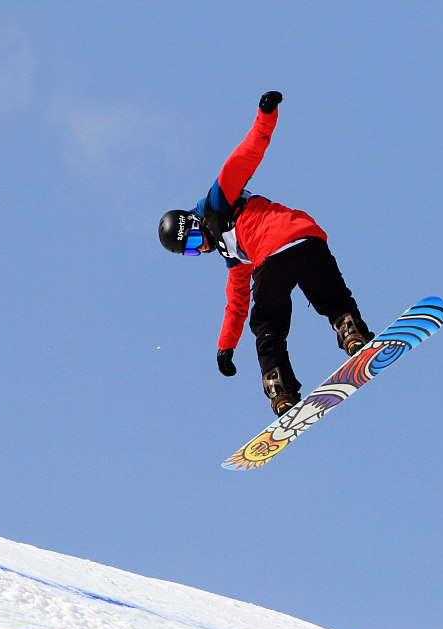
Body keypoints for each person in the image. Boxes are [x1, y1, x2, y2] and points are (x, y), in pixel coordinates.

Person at [158, 91, 373, 416]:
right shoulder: (232, 253)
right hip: (307, 238)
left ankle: (279, 388)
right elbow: (235, 303)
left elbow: (246, 155)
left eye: (191, 243)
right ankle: (350, 330)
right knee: (332, 299)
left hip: (273, 255)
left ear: (193, 222)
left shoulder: (219, 202)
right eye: (189, 253)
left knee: (267, 325)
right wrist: (225, 347)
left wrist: (265, 114)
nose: (199, 250)